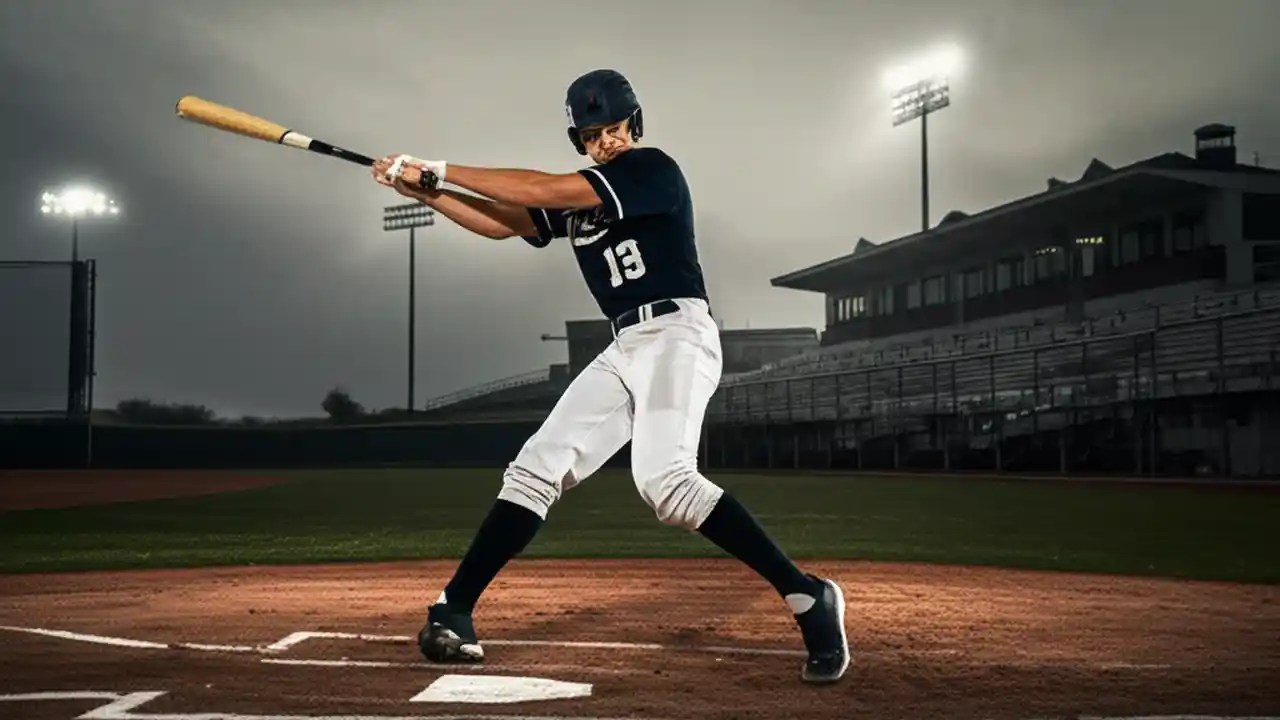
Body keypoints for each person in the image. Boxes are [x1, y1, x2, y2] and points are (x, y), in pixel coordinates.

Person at [370, 69, 849, 684]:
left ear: (635, 124)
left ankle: (809, 598)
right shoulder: (581, 198)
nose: (607, 142)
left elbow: (543, 188)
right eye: (593, 135)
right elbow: (506, 220)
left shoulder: (652, 170)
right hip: (626, 343)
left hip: (679, 333)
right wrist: (425, 190)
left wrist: (436, 165)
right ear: (581, 139)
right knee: (537, 464)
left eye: (615, 128)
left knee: (666, 482)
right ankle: (452, 609)